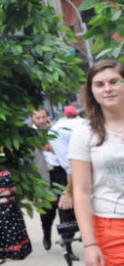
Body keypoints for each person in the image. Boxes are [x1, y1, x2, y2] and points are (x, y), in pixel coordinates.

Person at [69, 58, 124, 266]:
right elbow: (81, 192)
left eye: (114, 82)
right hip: (111, 227)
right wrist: (89, 244)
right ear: (91, 92)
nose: (107, 89)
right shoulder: (84, 133)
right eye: (99, 84)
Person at [50, 105, 81, 258]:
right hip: (58, 175)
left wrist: (68, 191)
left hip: (70, 175)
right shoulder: (81, 124)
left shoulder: (57, 131)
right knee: (66, 214)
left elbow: (70, 167)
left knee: (68, 213)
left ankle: (68, 246)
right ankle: (67, 247)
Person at [31, 107, 60, 250]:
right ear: (32, 118)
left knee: (65, 210)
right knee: (47, 213)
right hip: (41, 176)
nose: (42, 120)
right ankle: (46, 236)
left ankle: (67, 243)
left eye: (44, 117)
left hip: (58, 173)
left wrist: (50, 148)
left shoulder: (55, 131)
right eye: (38, 118)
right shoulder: (28, 135)